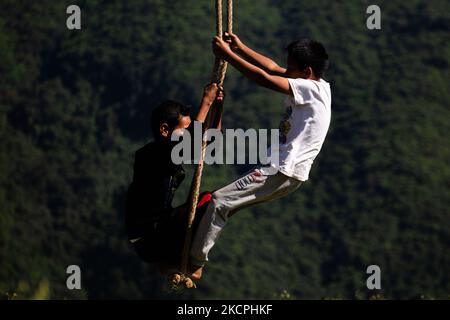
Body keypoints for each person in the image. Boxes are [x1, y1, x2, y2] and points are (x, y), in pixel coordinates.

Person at [189, 33, 332, 270]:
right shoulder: (320, 87)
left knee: (219, 201)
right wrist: (241, 47)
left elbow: (264, 78)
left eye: (292, 69)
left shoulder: (309, 89)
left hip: (283, 170)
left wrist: (228, 55)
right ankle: (196, 258)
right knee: (226, 205)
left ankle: (195, 263)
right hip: (288, 173)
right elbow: (273, 67)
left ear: (306, 72)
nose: (287, 72)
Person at [126, 83, 224, 280]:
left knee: (202, 201)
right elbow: (192, 143)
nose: (187, 137)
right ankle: (190, 264)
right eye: (184, 131)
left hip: (155, 235)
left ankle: (169, 264)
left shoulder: (170, 151)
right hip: (149, 238)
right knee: (210, 200)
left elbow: (211, 140)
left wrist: (218, 107)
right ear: (164, 130)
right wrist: (205, 103)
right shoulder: (152, 153)